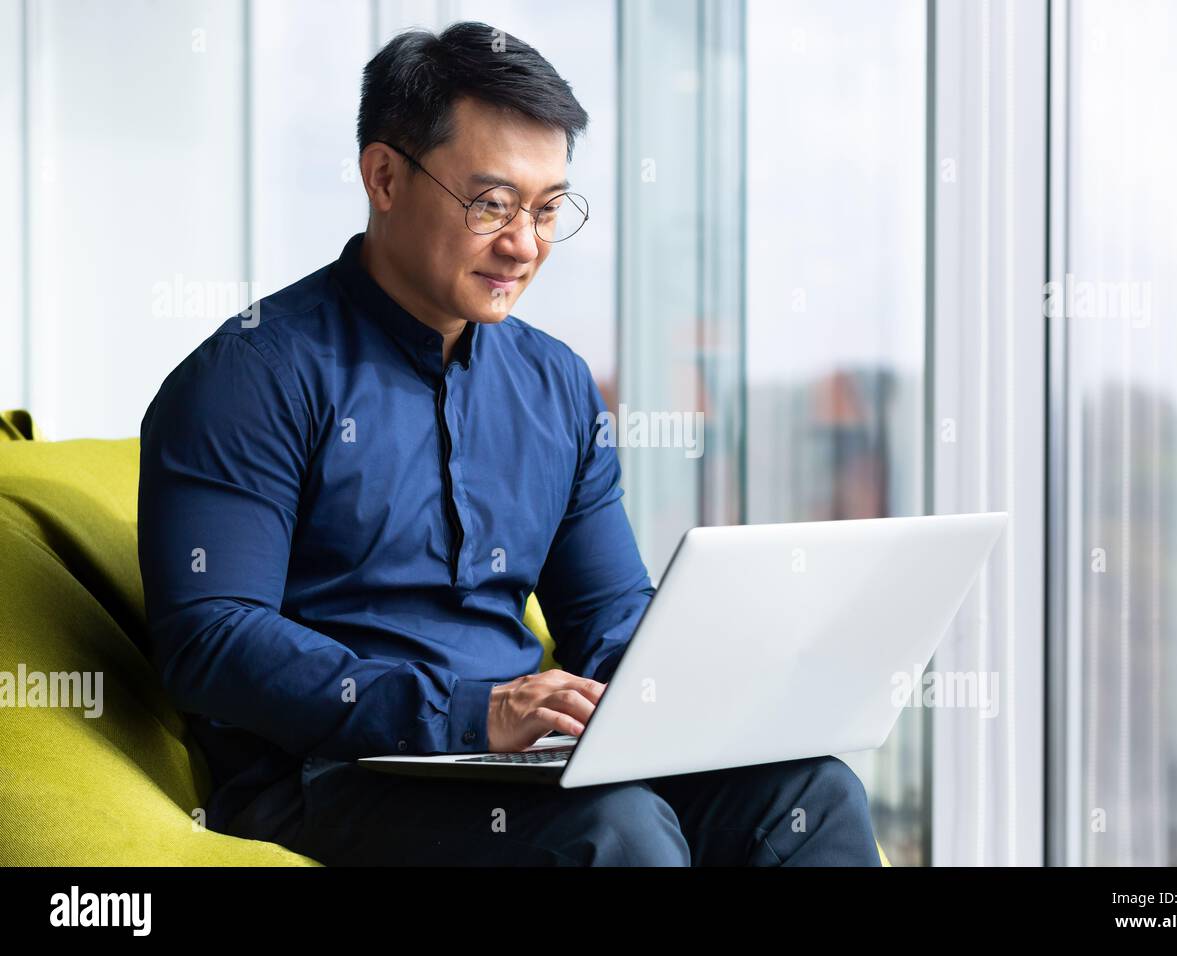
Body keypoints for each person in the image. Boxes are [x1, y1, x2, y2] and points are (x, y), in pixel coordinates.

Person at [137, 20, 881, 867]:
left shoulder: (554, 383)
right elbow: (213, 637)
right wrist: (472, 710)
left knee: (812, 793)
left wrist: (708, 692)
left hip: (526, 766)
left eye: (549, 208)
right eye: (491, 203)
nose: (525, 244)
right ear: (384, 176)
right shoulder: (252, 374)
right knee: (618, 830)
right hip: (330, 777)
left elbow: (605, 615)